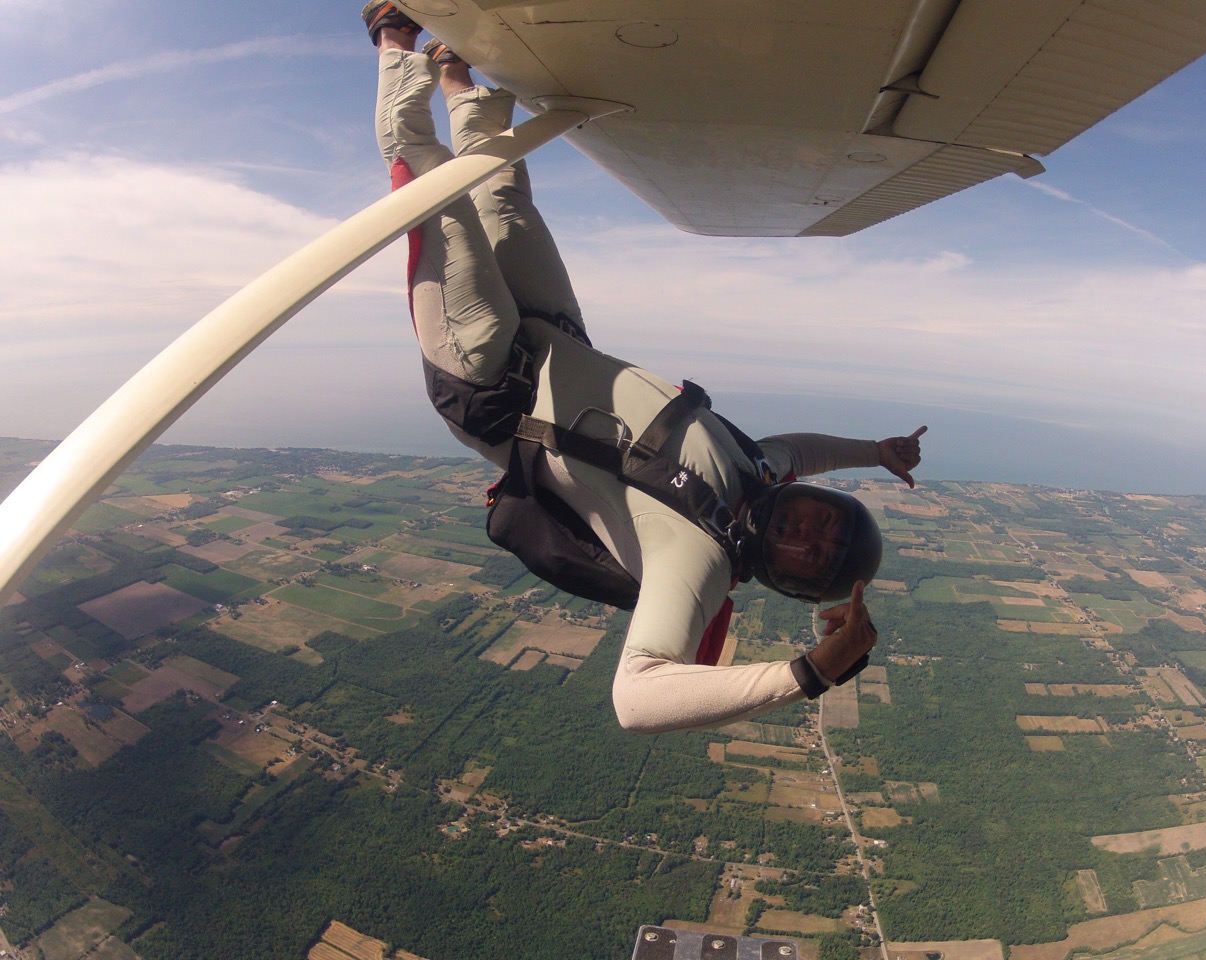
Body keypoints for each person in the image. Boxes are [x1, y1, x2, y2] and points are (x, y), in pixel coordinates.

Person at [361, 3, 926, 733]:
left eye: (813, 554)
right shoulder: (759, 471)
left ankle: (393, 42)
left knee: (436, 193)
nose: (810, 530)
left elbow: (638, 700)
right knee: (502, 194)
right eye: (826, 522)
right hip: (557, 340)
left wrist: (810, 673)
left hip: (491, 380)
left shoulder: (698, 563)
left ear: (790, 580)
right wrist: (875, 455)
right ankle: (458, 78)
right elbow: (806, 452)